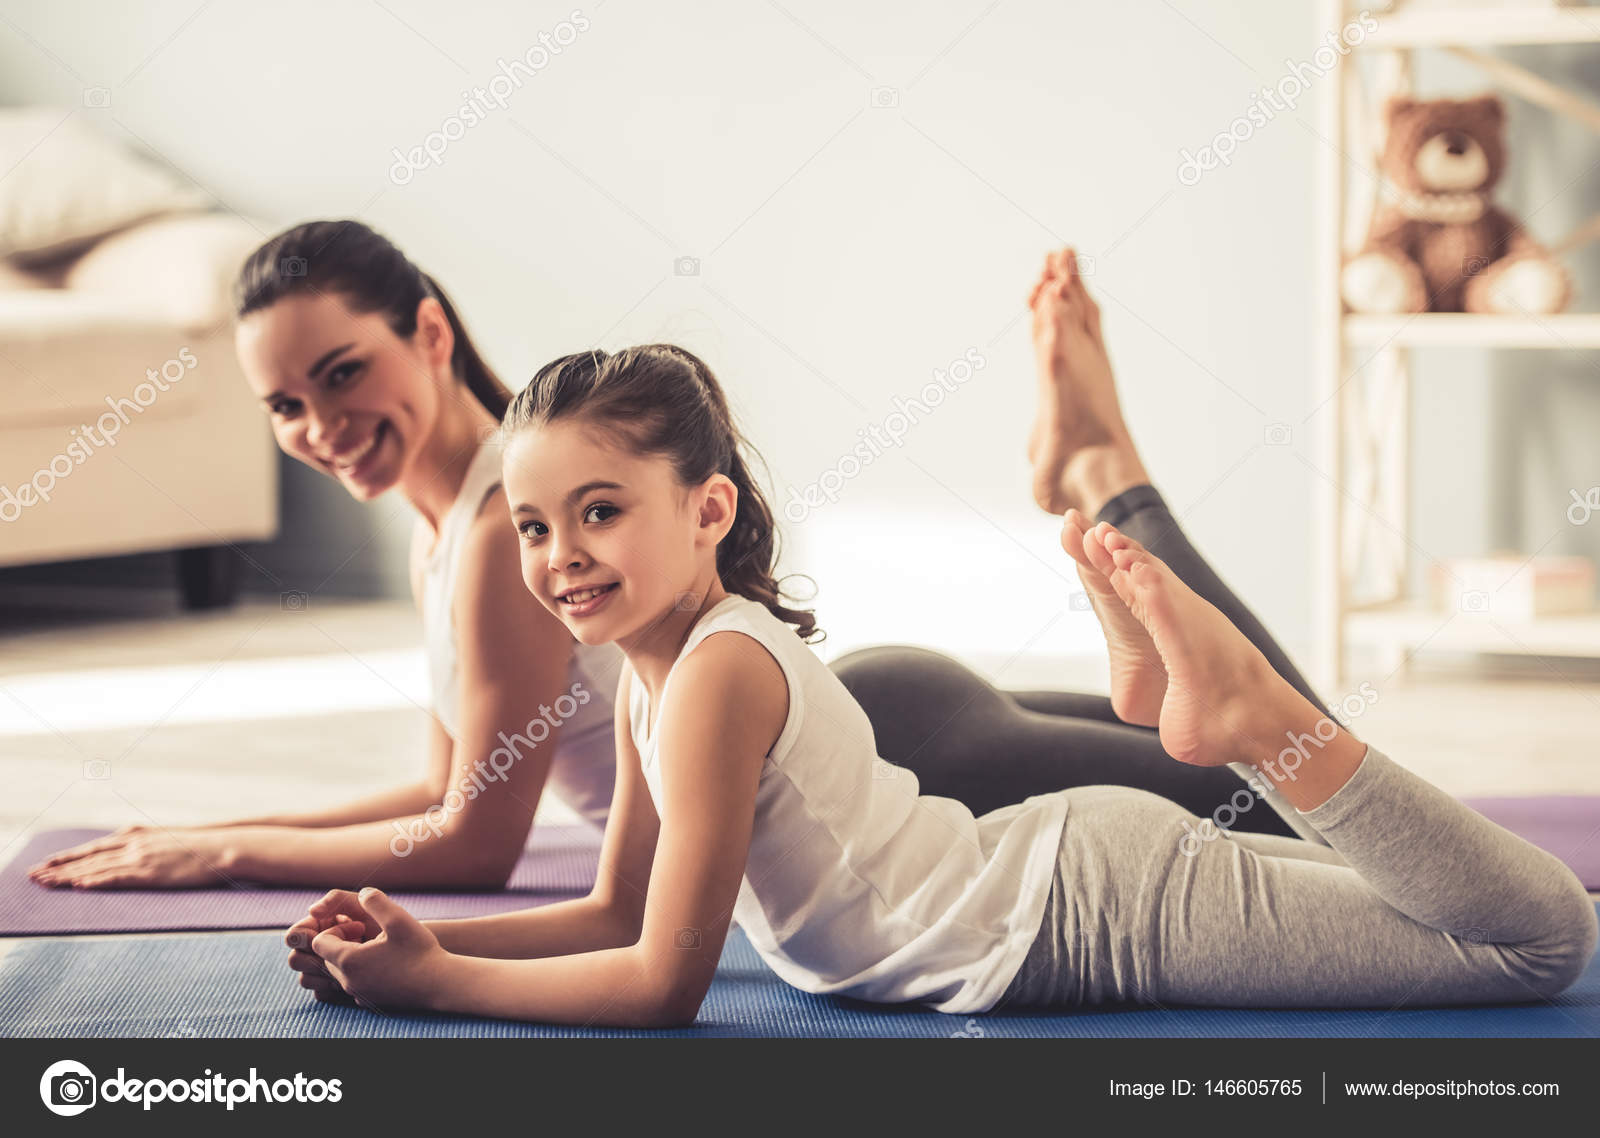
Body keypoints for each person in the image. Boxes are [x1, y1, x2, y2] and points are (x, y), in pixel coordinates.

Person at [282, 335, 1595, 1024]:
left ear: (706, 510)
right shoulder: (654, 671)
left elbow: (659, 987)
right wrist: (420, 936)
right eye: (529, 525)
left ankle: (1263, 723)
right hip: (1062, 870)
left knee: (1538, 941)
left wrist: (439, 986)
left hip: (1093, 913)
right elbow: (618, 908)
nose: (559, 554)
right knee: (1468, 909)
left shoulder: (719, 675)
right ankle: (1247, 723)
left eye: (601, 511)